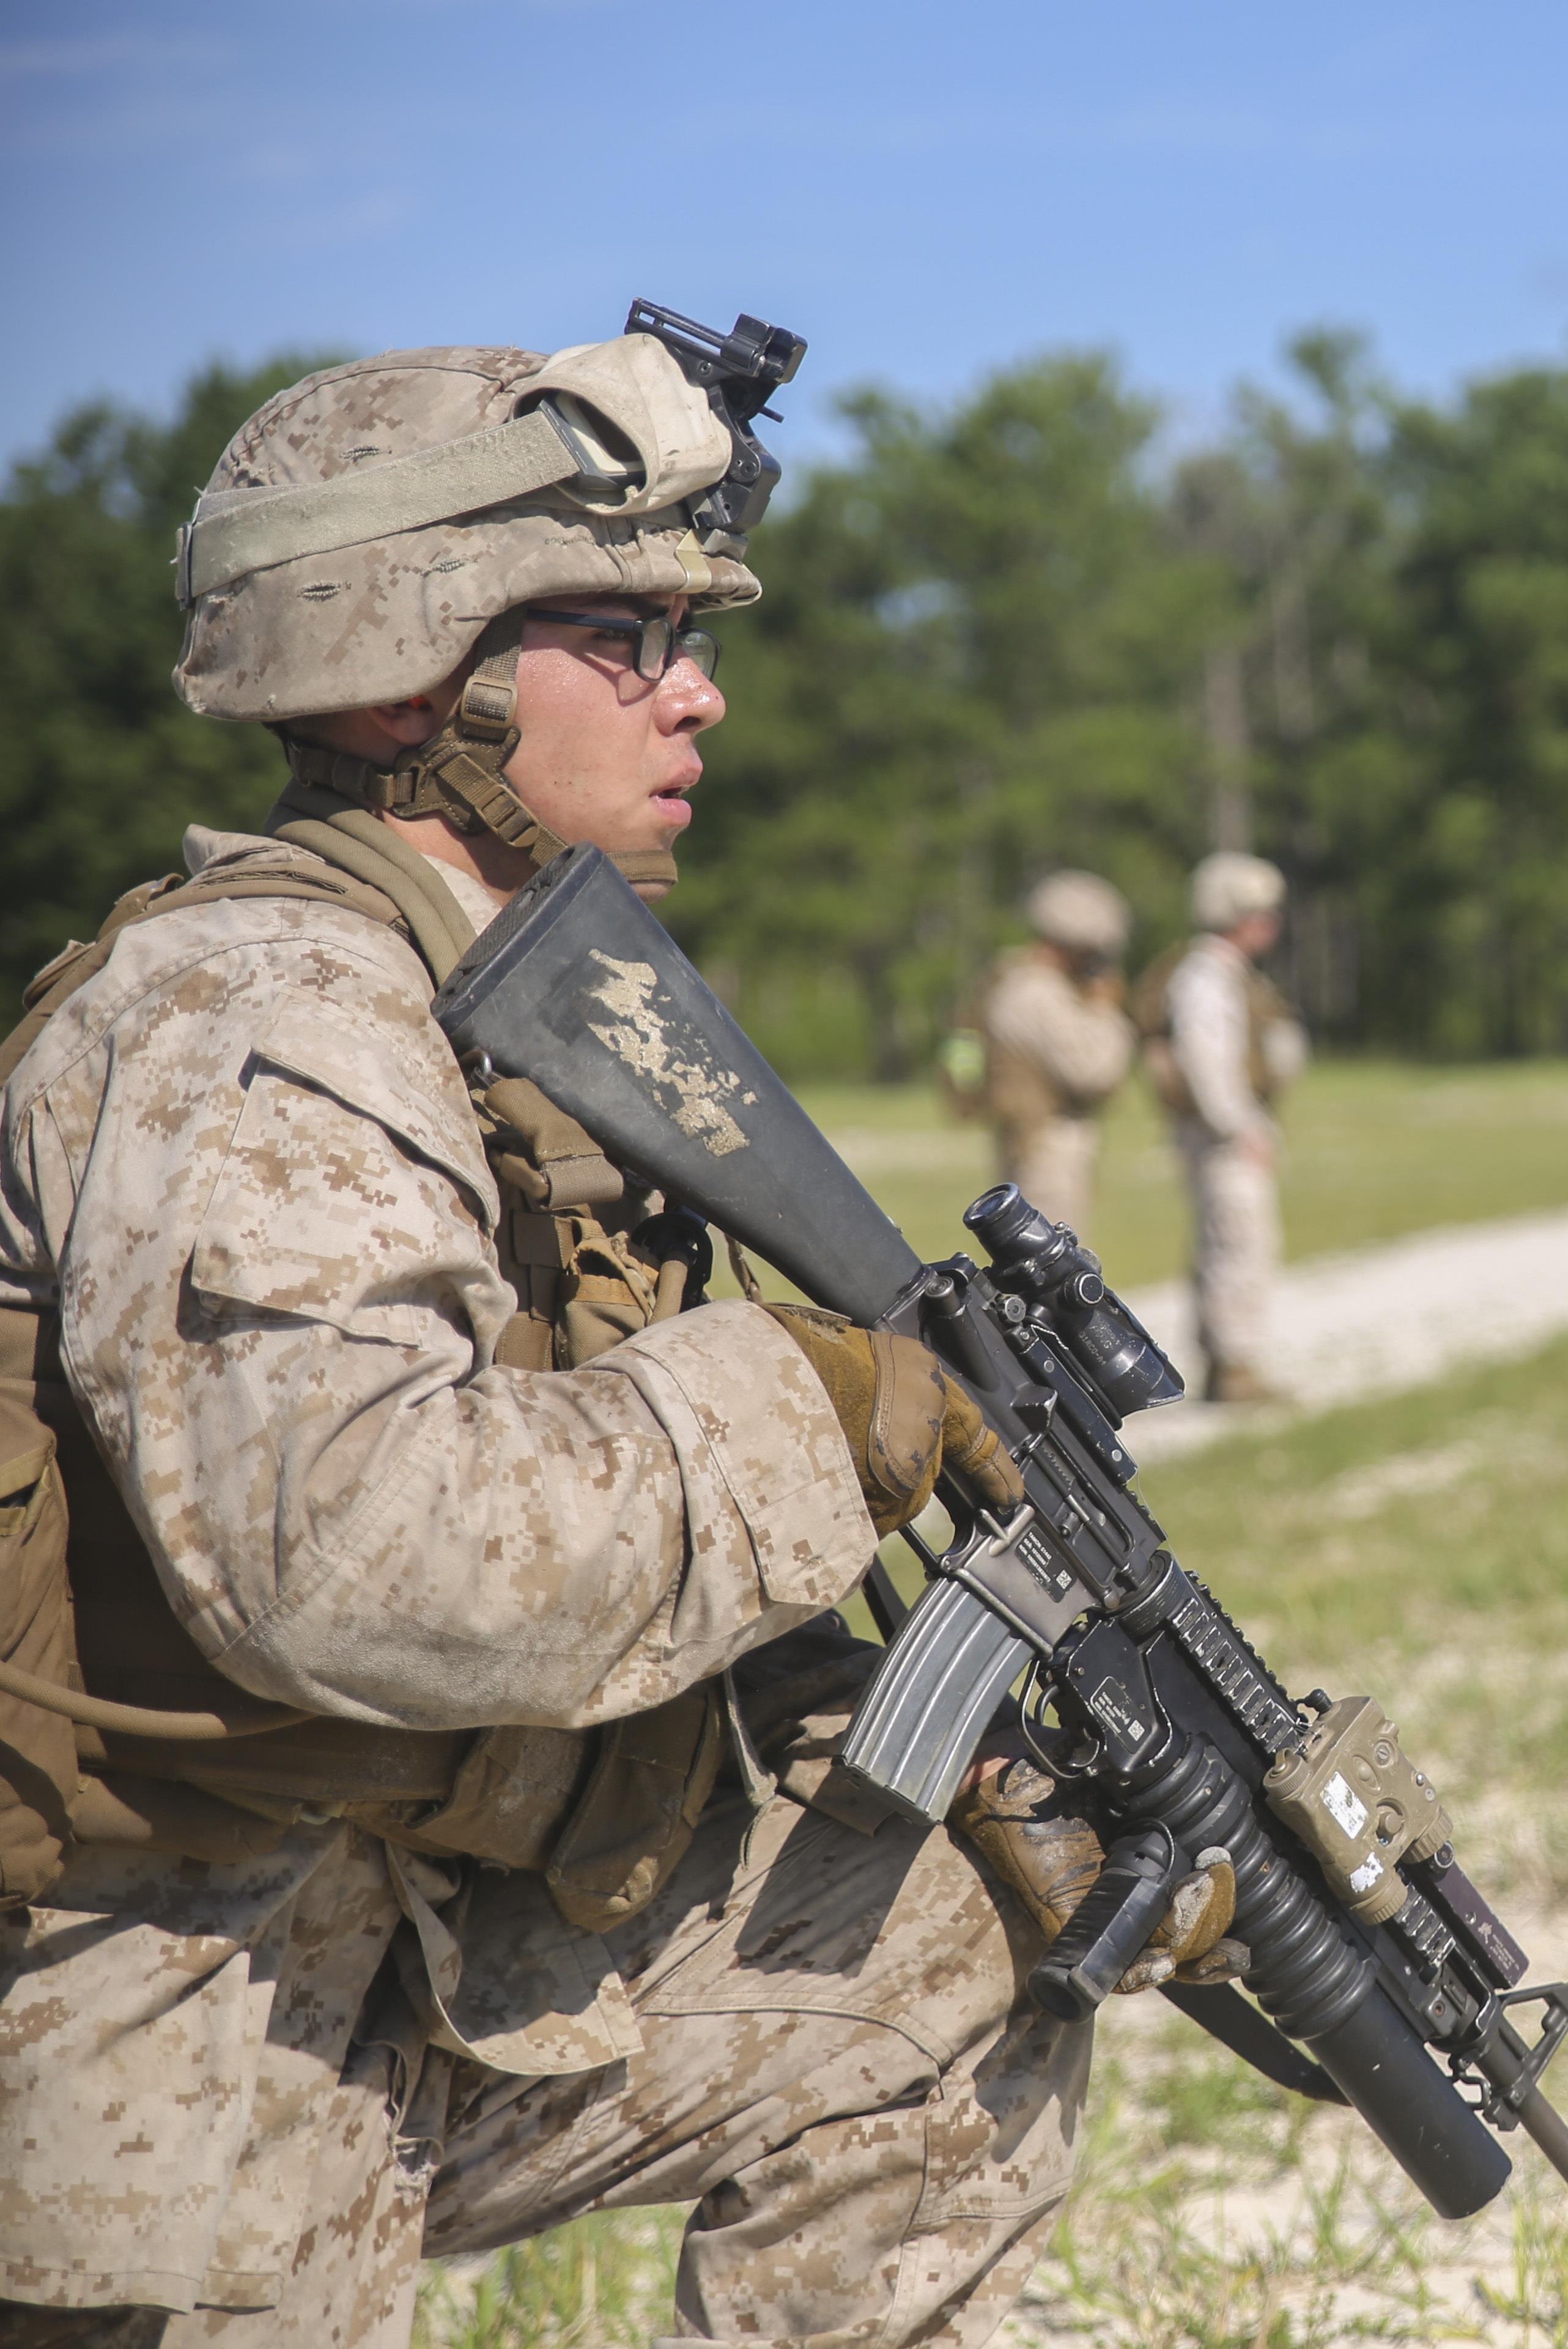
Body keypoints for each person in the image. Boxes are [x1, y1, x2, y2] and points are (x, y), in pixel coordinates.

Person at [0, 330, 1142, 2346]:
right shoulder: (269, 1012)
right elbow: (352, 1556)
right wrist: (805, 1403)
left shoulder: (483, 1008)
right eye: (624, 632)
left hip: (357, 1900)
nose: (697, 688)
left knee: (944, 1935)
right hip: (137, 1996)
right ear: (407, 675)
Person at [1163, 851, 1306, 1404]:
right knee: (1239, 1242)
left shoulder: (1224, 973)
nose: (1270, 923)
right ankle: (1235, 1367)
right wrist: (1239, 1125)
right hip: (1222, 1137)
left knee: (1230, 1241)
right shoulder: (1205, 976)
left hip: (1226, 1131)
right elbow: (1207, 1061)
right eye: (1259, 912)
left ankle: (1229, 1361)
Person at [977, 871, 1136, 1231]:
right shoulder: (1039, 992)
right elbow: (1095, 1072)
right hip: (1047, 1150)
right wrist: (1104, 1010)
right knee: (1053, 1274)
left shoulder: (1021, 982)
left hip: (1035, 1146)